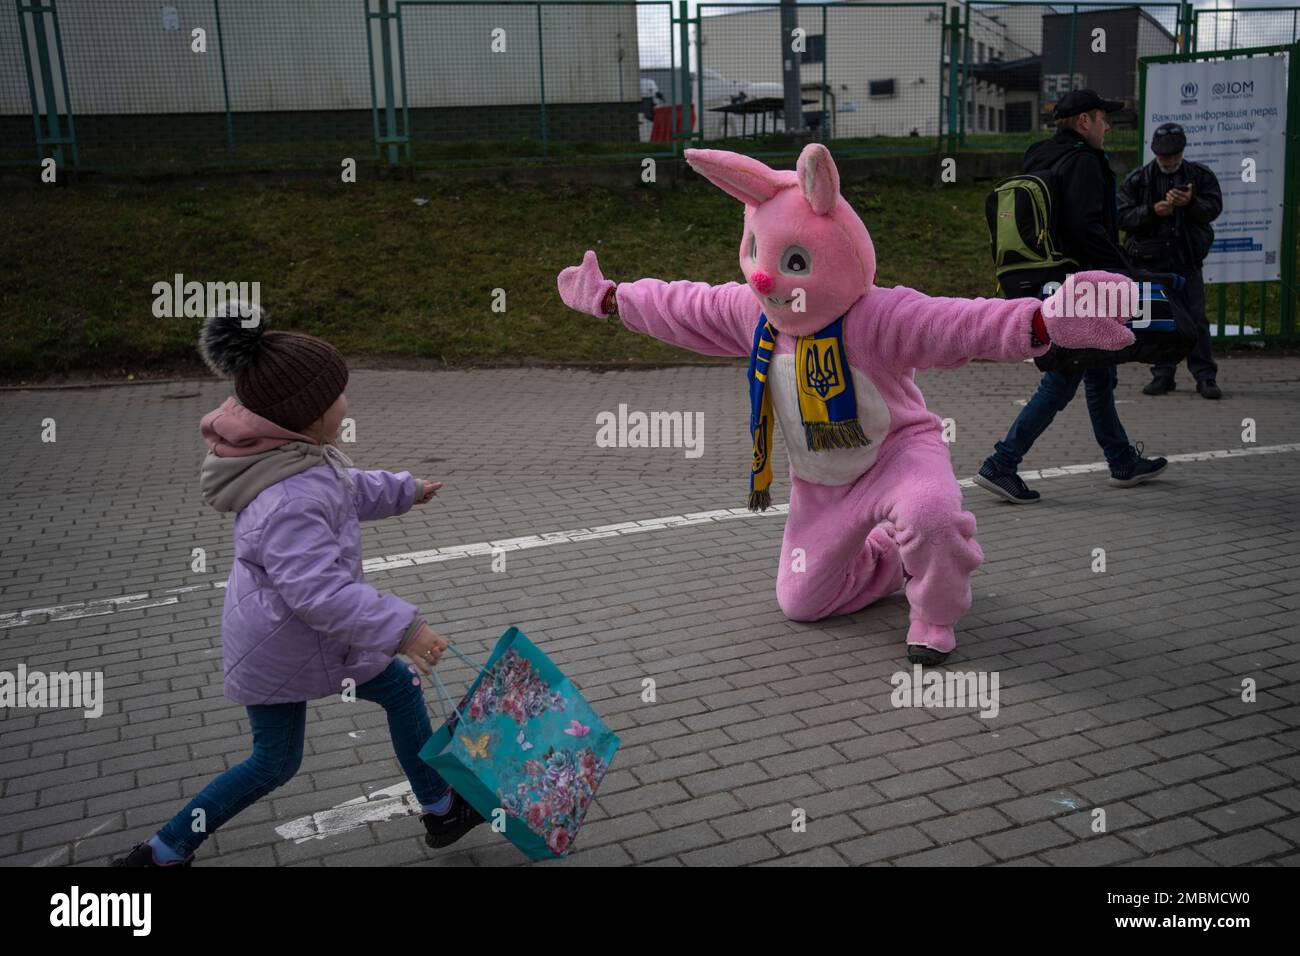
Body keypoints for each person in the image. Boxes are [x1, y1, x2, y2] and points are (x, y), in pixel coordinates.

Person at [111, 303, 482, 866]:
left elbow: (346, 489)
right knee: (274, 763)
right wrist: (405, 629)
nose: (346, 402)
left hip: (314, 638)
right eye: (338, 395)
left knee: (402, 693)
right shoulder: (289, 497)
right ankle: (162, 852)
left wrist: (405, 490)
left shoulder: (297, 459)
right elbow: (320, 593)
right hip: (284, 645)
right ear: (306, 414)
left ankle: (439, 806)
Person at [976, 89, 1168, 503]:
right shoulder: (1083, 161)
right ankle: (1002, 463)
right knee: (1065, 376)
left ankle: (1120, 459)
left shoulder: (1041, 156)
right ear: (1083, 121)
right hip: (1082, 282)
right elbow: (1085, 227)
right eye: (1103, 118)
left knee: (1099, 369)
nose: (1107, 127)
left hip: (1049, 281)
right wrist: (1122, 272)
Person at [1118, 122, 1224, 399]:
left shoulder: (1199, 176)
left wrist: (1190, 203)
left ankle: (1204, 376)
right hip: (1152, 263)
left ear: (1182, 152)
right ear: (1155, 153)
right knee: (1160, 321)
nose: (1169, 160)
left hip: (1187, 260)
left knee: (1196, 319)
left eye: (1174, 155)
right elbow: (1121, 216)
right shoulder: (1138, 179)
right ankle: (1163, 374)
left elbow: (1213, 209)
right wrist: (1153, 211)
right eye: (1164, 156)